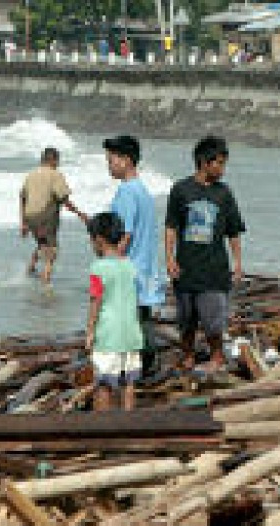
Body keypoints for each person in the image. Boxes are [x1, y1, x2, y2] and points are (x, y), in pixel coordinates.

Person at [165, 136, 246, 373]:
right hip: (186, 267)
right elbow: (171, 227)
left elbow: (233, 232)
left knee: (213, 319)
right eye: (218, 163)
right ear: (203, 162)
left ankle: (217, 356)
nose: (222, 169)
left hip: (215, 269)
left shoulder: (224, 194)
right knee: (186, 319)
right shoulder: (181, 190)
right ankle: (188, 355)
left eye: (223, 163)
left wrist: (238, 263)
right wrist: (169, 258)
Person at [104, 135, 164, 376]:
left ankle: (138, 367)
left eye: (111, 160)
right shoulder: (143, 190)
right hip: (145, 266)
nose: (108, 165)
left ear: (126, 160)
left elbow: (125, 234)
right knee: (143, 316)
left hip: (129, 266)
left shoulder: (127, 192)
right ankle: (149, 363)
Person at [85, 212, 142, 411]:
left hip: (108, 335)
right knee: (128, 382)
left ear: (99, 240)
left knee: (103, 382)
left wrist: (90, 331)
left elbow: (96, 301)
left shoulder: (98, 268)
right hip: (131, 333)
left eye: (91, 241)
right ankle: (128, 421)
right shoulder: (130, 265)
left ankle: (102, 424)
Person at [20, 147, 83, 286]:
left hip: (30, 216)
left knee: (42, 243)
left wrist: (23, 222)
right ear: (53, 160)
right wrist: (80, 214)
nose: (58, 164)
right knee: (52, 250)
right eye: (57, 161)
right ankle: (46, 281)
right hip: (45, 216)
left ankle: (30, 269)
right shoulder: (55, 174)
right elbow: (64, 199)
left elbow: (22, 198)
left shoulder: (31, 174)